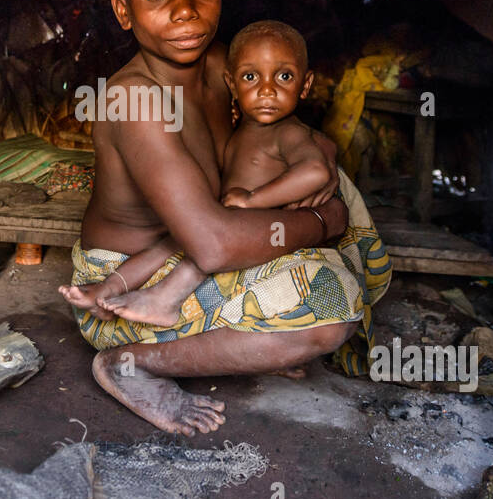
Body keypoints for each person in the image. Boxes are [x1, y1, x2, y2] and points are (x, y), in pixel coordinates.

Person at [64, 0, 391, 436]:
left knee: (328, 174)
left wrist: (318, 151)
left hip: (198, 244)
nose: (184, 11)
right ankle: (132, 363)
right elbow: (214, 246)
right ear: (123, 10)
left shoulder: (222, 64)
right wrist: (322, 220)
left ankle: (247, 339)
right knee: (333, 309)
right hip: (131, 289)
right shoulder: (134, 100)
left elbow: (278, 129)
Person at [59, 19, 335, 327]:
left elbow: (315, 171)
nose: (266, 90)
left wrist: (253, 201)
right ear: (232, 84)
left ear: (306, 85)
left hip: (254, 222)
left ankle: (164, 301)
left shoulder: (289, 133)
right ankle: (107, 289)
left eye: (284, 76)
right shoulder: (248, 125)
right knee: (171, 245)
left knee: (197, 259)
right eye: (251, 77)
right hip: (221, 217)